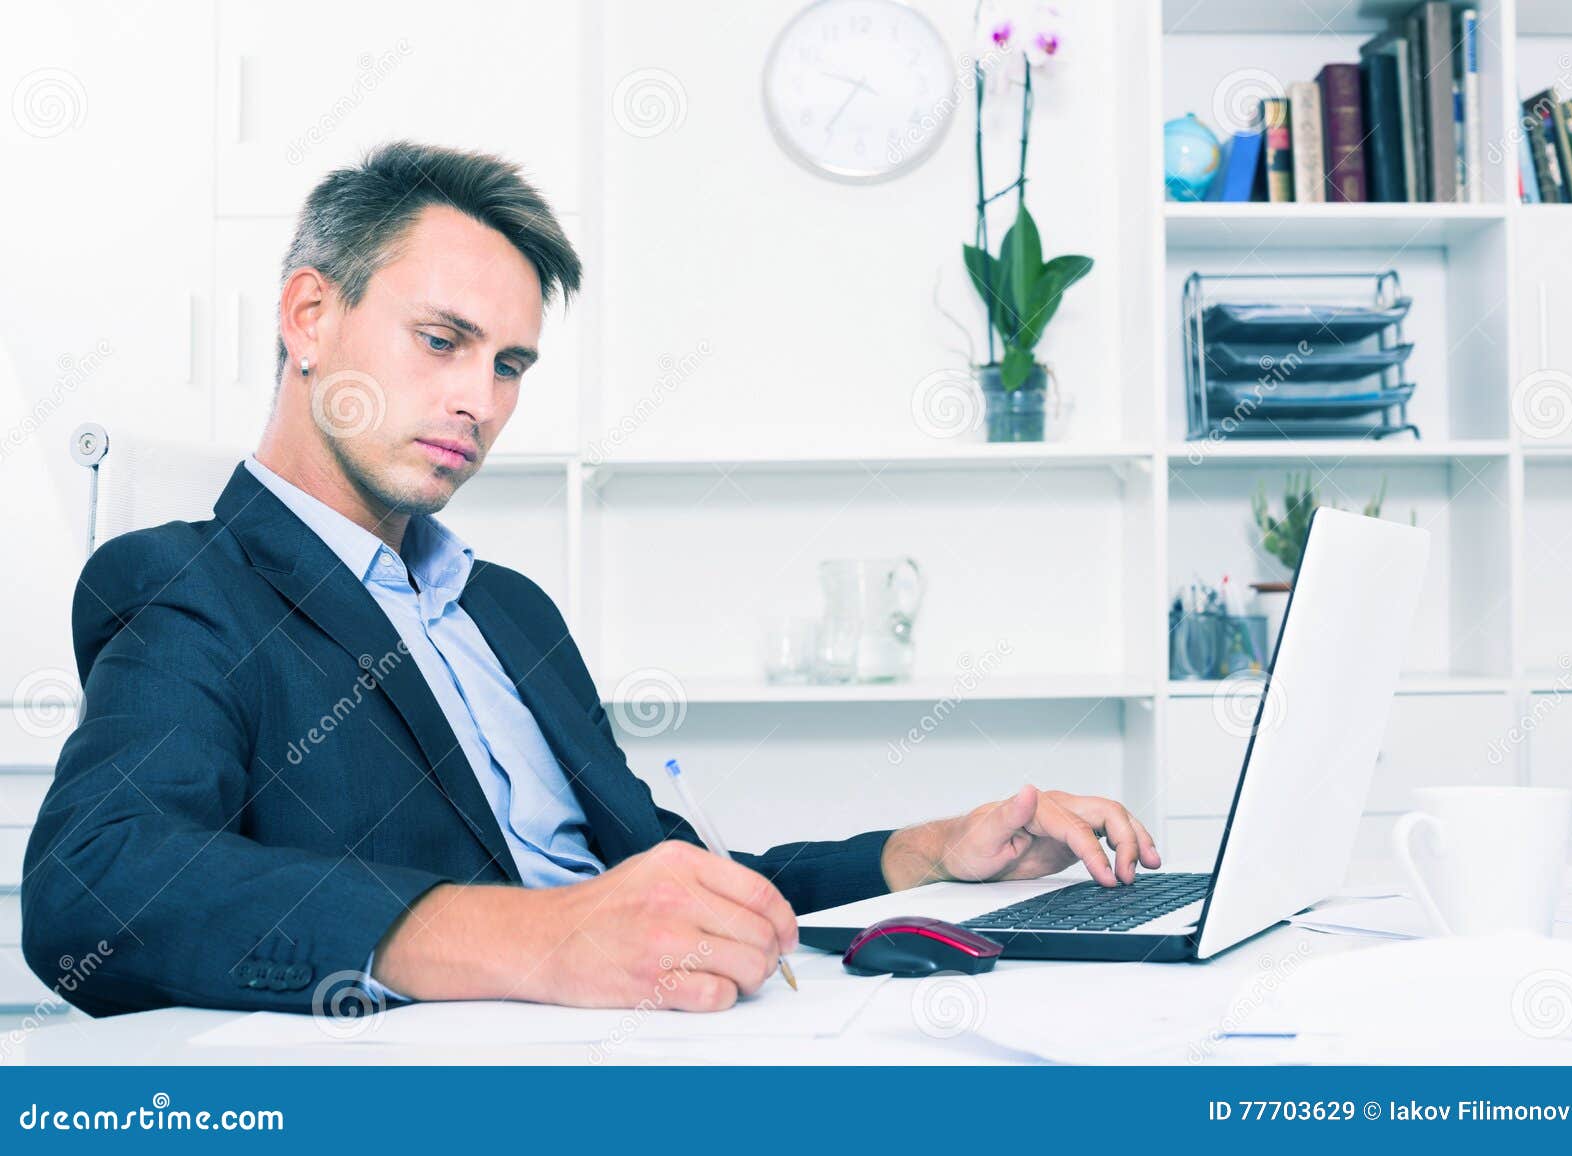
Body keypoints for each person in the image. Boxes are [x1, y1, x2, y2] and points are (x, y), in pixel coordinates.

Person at [22, 141, 1159, 1018]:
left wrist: (927, 852)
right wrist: (542, 939)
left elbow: (665, 875)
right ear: (310, 317)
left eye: (509, 363)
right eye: (441, 340)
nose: (483, 399)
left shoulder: (508, 608)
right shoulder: (187, 582)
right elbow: (102, 880)